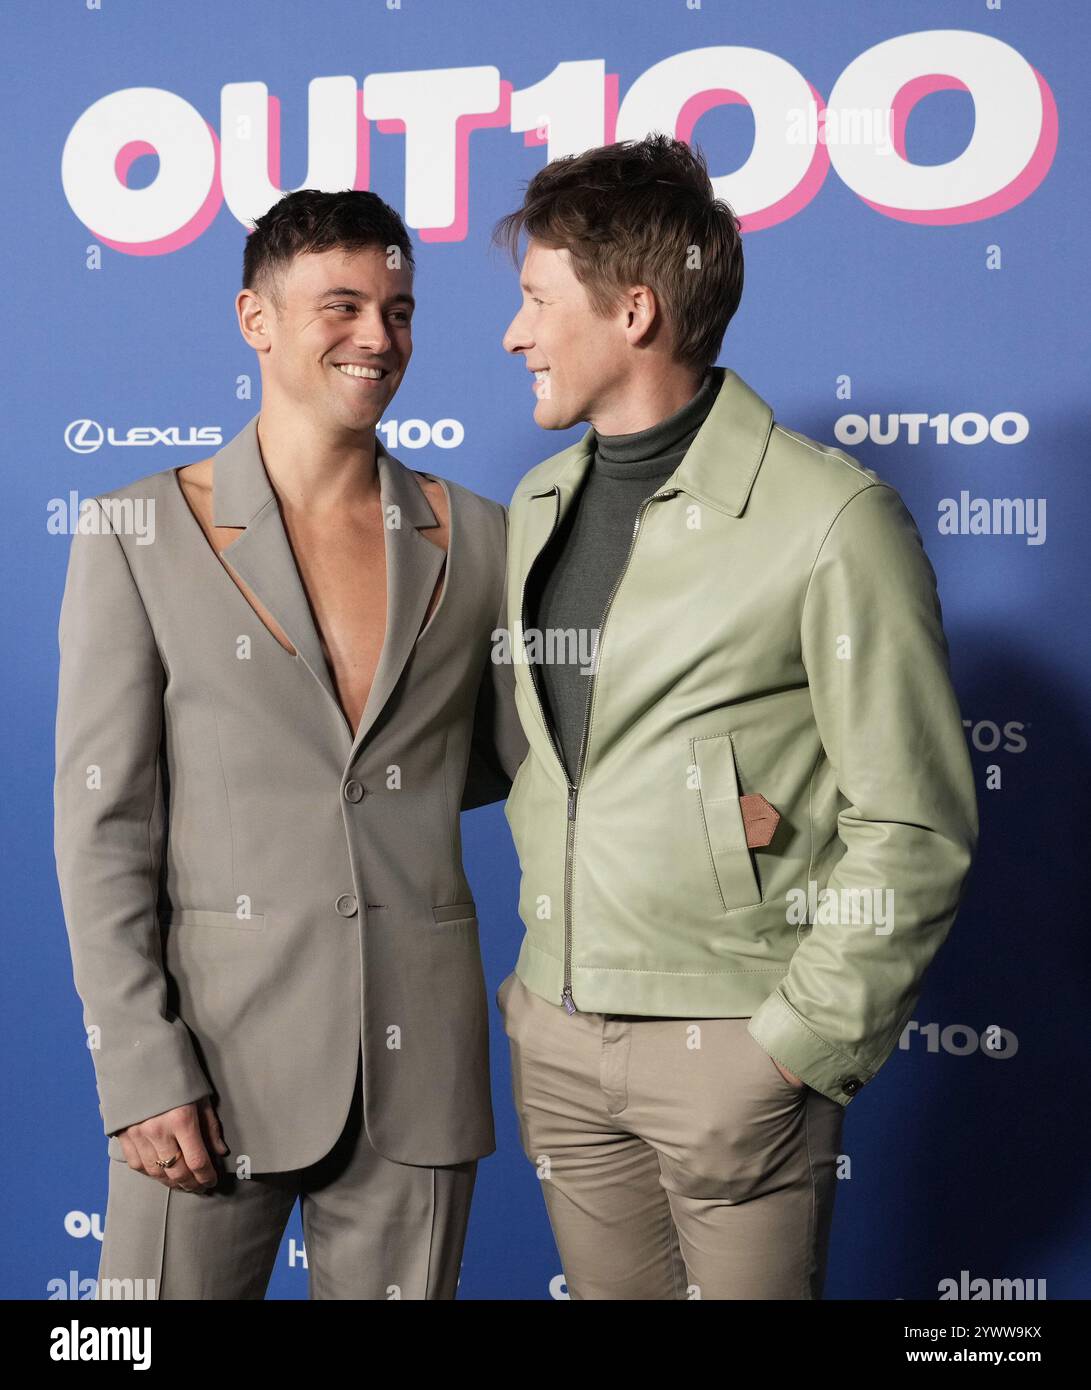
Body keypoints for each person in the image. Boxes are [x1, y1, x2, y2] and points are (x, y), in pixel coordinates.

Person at [492, 134, 978, 1299]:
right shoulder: (538, 500)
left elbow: (912, 824)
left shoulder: (829, 519)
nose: (512, 334)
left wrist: (793, 1048)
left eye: (533, 301)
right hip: (555, 1036)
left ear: (635, 312)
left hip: (732, 1044)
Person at [53, 188, 526, 1300]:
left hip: (421, 1073)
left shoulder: (479, 534)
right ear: (254, 320)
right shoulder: (139, 529)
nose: (378, 338)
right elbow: (102, 823)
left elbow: (521, 764)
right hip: (205, 1069)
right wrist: (138, 1062)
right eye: (343, 306)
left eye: (400, 310)